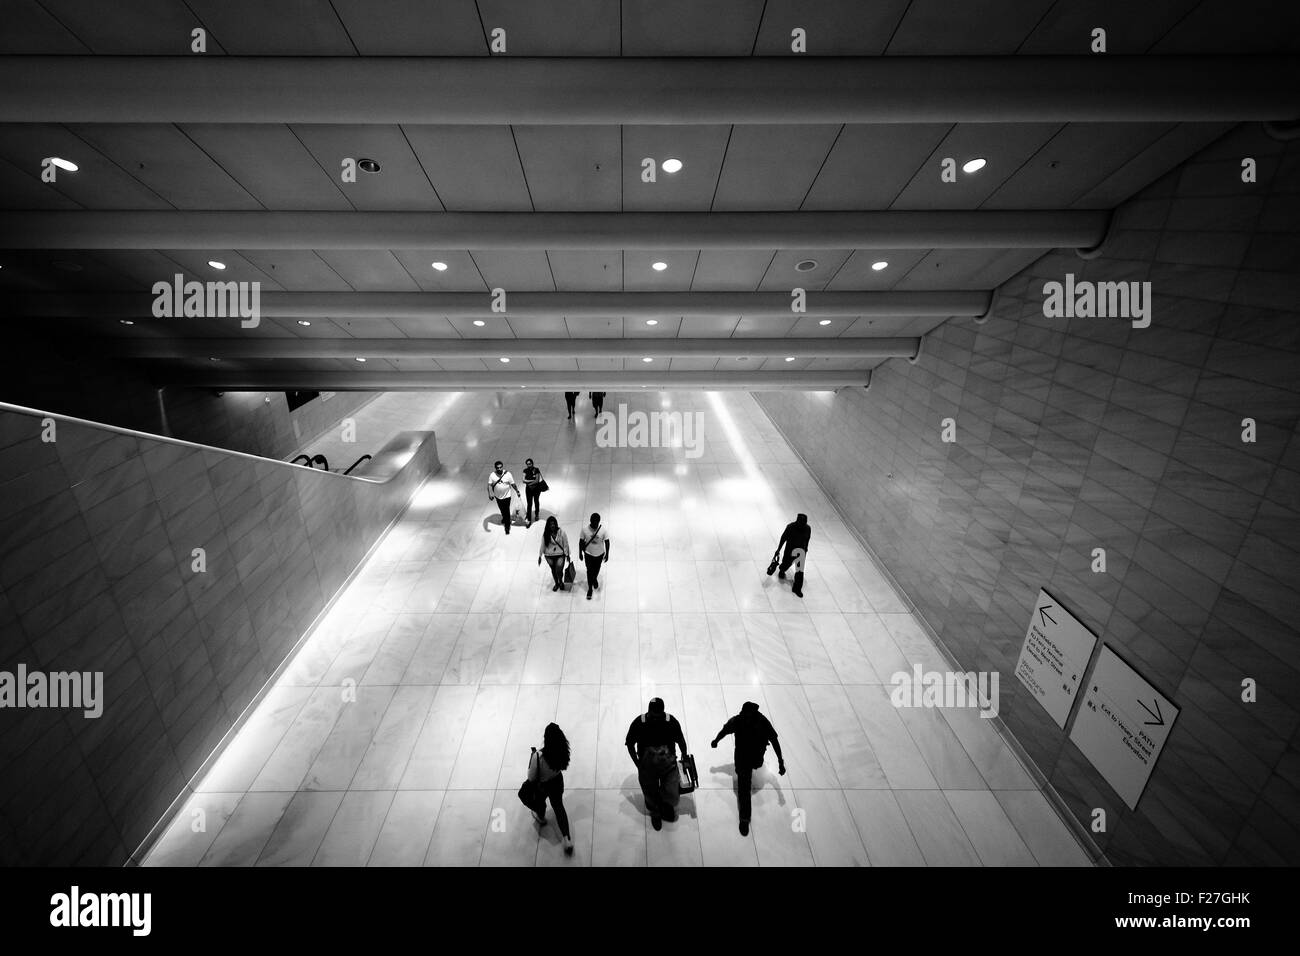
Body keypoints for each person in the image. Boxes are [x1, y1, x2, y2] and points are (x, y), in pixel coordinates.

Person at [710, 701, 785, 836]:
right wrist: (716, 740)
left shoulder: (742, 720)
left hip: (747, 759)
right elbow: (774, 740)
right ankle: (744, 818)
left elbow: (774, 740)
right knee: (744, 786)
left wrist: (780, 762)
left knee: (744, 788)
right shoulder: (757, 720)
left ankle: (744, 819)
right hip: (751, 759)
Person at [626, 698, 689, 831]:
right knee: (650, 793)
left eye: (658, 715)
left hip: (669, 765)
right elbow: (630, 744)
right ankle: (655, 811)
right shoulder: (639, 723)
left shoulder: (670, 721)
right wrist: (637, 764)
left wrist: (685, 756)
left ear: (663, 712)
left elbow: (681, 740)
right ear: (648, 712)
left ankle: (666, 804)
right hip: (647, 767)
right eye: (653, 716)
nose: (655, 719)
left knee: (672, 793)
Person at [527, 723, 574, 855]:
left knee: (540, 802)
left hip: (543, 785)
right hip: (557, 781)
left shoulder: (538, 756)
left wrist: (532, 758)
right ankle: (567, 839)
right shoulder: (563, 750)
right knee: (558, 806)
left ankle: (541, 818)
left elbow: (531, 778)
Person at [772, 512, 811, 598]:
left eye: (804, 523)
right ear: (797, 521)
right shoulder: (790, 527)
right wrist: (778, 550)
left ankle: (797, 589)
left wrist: (806, 549)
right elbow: (783, 538)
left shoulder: (808, 528)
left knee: (800, 571)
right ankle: (782, 570)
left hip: (801, 552)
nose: (803, 525)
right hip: (790, 550)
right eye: (801, 523)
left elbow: (807, 539)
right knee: (786, 564)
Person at [578, 512, 610, 601]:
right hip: (588, 554)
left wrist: (607, 554)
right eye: (593, 522)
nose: (595, 524)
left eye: (597, 522)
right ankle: (590, 589)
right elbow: (581, 542)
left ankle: (594, 578)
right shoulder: (584, 530)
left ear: (599, 521)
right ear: (590, 521)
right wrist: (580, 553)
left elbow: (607, 542)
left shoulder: (603, 531)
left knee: (596, 570)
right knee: (589, 571)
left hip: (599, 554)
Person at [538, 516, 571, 592]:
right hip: (549, 555)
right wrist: (540, 556)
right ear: (548, 525)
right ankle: (556, 583)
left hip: (560, 554)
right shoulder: (546, 534)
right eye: (550, 524)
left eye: (553, 524)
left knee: (559, 570)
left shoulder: (561, 532)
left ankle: (560, 581)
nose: (552, 525)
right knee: (553, 570)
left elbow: (566, 544)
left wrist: (567, 555)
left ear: (556, 524)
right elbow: (542, 545)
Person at [487, 460, 520, 534]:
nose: (499, 469)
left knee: (506, 510)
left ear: (502, 467)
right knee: (502, 509)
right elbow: (489, 485)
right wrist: (490, 494)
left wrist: (517, 491)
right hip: (498, 497)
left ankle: (507, 526)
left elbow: (513, 484)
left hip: (507, 496)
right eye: (497, 468)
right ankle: (505, 518)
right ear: (495, 468)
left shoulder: (508, 474)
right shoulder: (492, 475)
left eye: (500, 467)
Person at [522, 457, 544, 526]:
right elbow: (523, 480)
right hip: (528, 490)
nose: (529, 465)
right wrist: (532, 481)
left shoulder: (536, 470)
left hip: (536, 489)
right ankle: (529, 519)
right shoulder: (525, 470)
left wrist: (528, 483)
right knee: (529, 504)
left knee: (536, 501)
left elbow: (537, 480)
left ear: (532, 463)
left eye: (530, 464)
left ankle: (537, 514)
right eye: (528, 464)